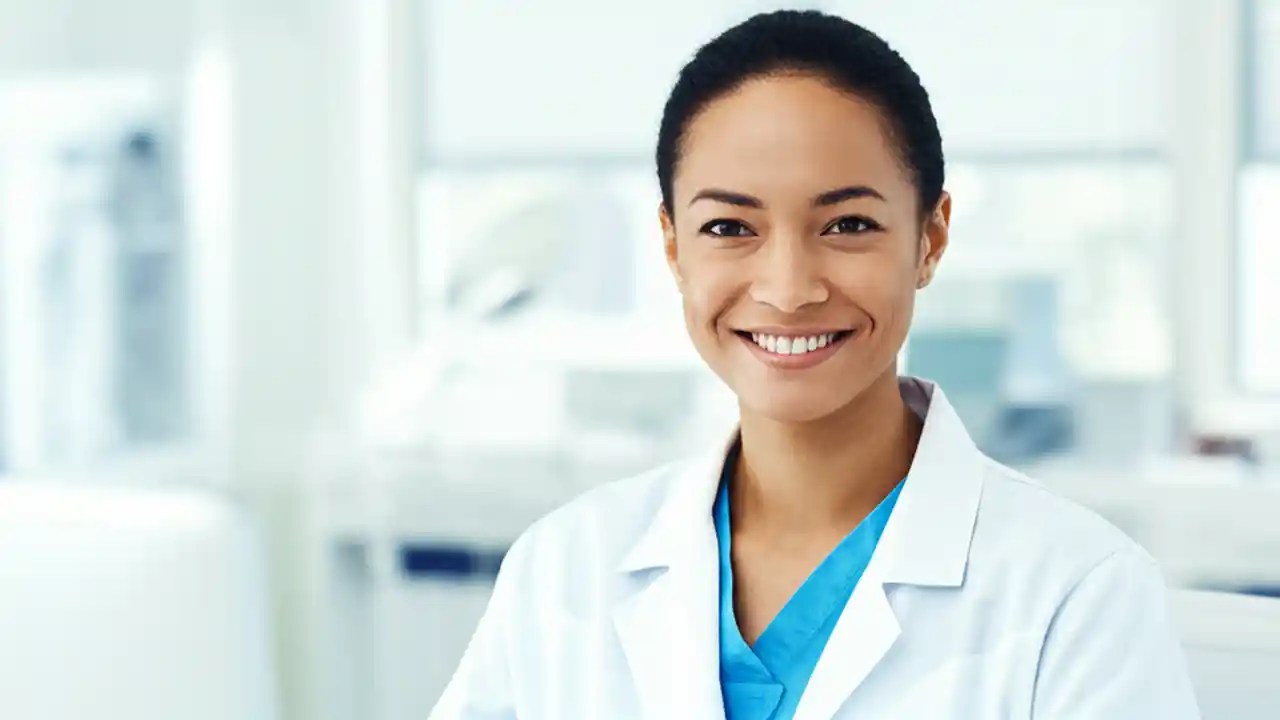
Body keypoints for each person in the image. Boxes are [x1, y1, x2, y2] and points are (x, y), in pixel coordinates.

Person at [430, 10, 1199, 719]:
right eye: (731, 226)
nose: (789, 289)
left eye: (849, 224)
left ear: (930, 238)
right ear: (672, 247)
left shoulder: (1077, 593)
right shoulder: (564, 570)